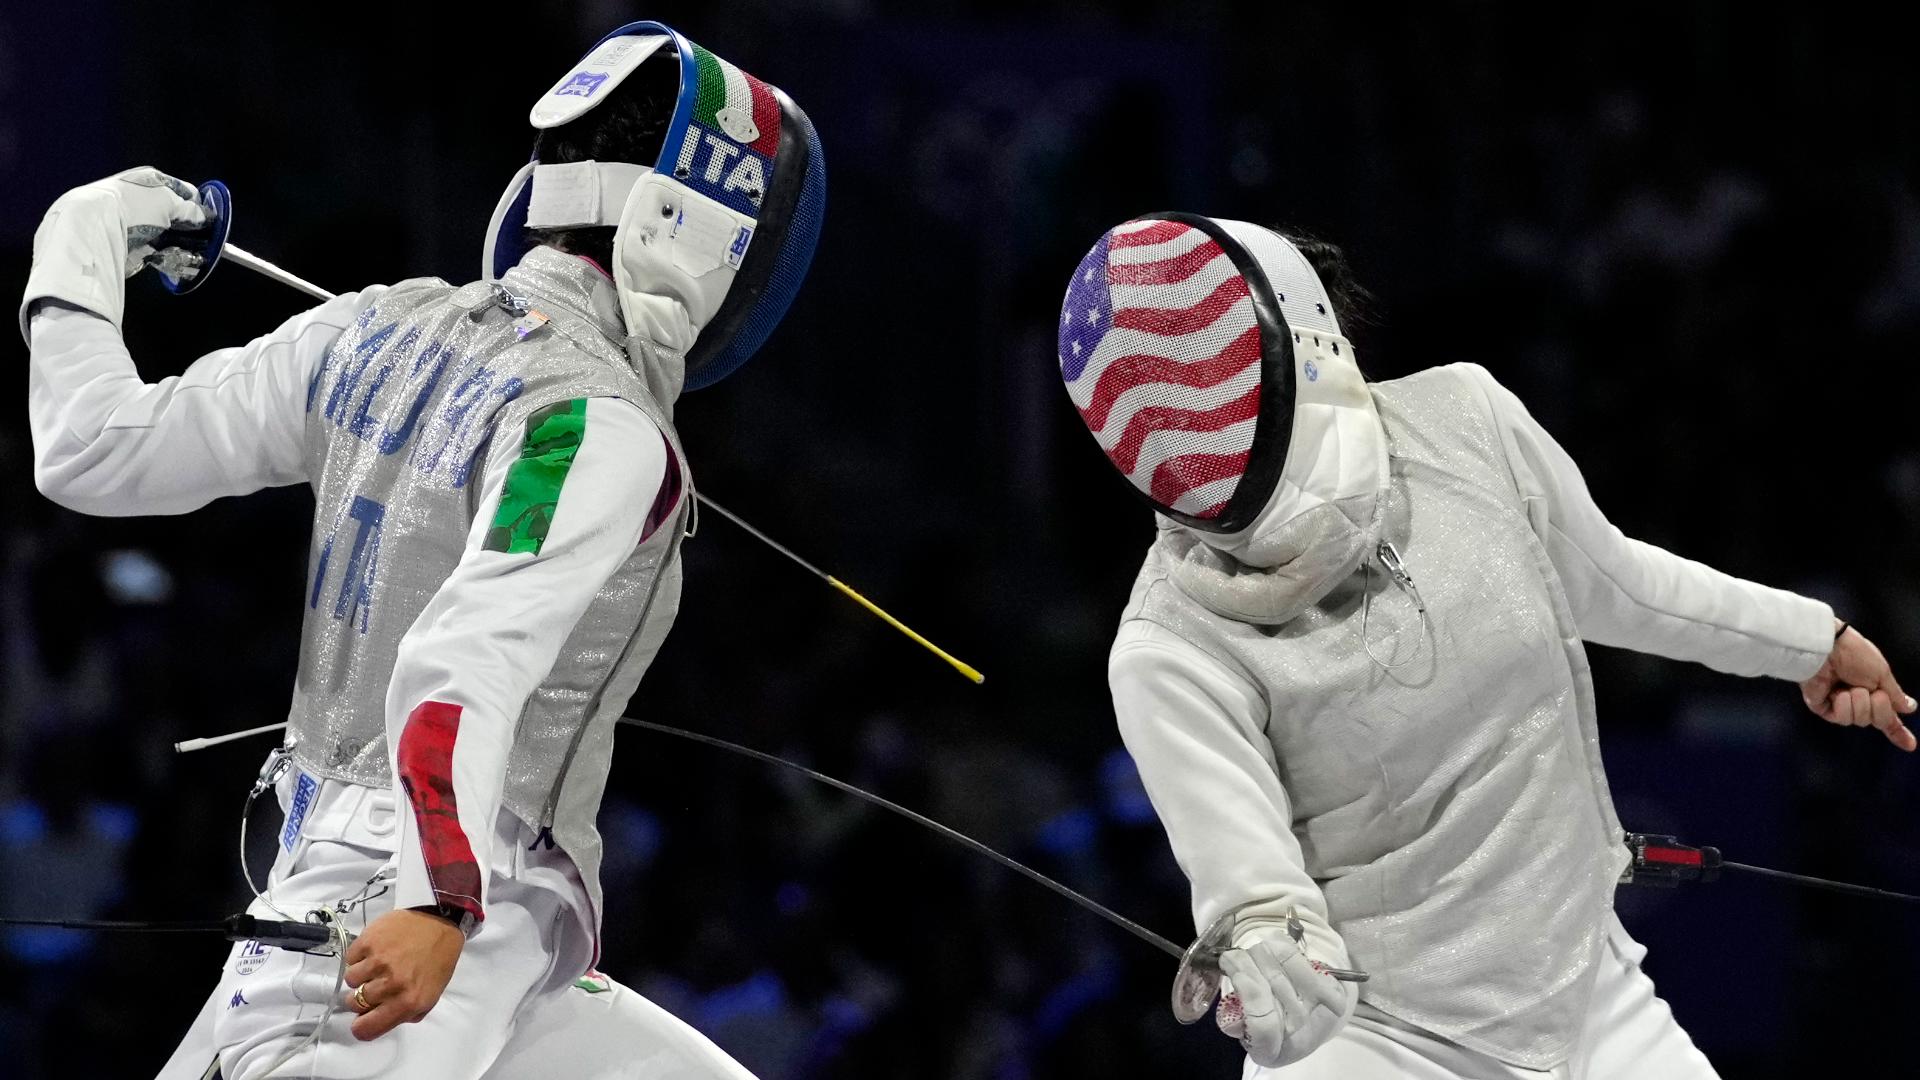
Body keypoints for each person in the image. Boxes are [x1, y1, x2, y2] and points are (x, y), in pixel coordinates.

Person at [21, 20, 822, 1080]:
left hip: (500, 933)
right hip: (409, 916)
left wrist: (81, 235)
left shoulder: (365, 334)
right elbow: (458, 663)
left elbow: (91, 445)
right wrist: (437, 895)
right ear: (690, 231)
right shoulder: (591, 427)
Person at [1055, 213, 1913, 1079]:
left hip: (1592, 1002)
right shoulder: (1171, 649)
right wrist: (1275, 964)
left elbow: (1617, 582)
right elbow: (1253, 887)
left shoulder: (1466, 420)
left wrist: (1809, 639)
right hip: (1379, 1043)